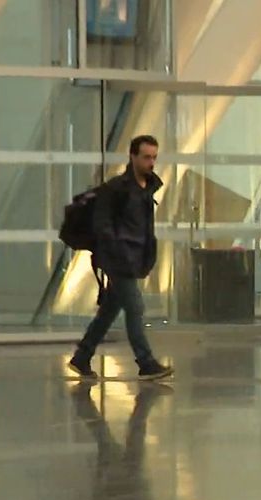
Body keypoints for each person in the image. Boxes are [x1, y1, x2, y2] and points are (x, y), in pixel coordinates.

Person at [69, 135, 173, 381]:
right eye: (146, 157)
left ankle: (82, 356)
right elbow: (102, 225)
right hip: (117, 260)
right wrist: (115, 252)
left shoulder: (148, 188)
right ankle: (146, 362)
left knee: (109, 311)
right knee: (135, 307)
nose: (151, 162)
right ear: (133, 156)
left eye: (154, 157)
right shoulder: (115, 188)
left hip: (135, 258)